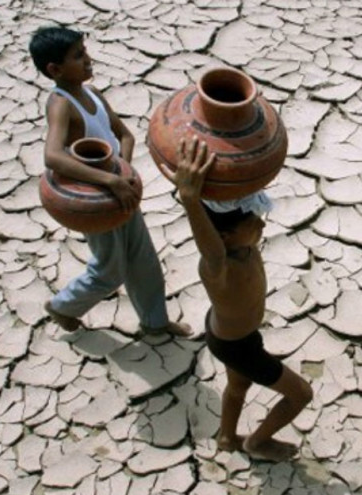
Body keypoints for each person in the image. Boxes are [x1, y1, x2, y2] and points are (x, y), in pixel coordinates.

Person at [28, 26, 190, 339]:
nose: (88, 59)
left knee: (144, 262)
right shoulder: (61, 104)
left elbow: (125, 135)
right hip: (94, 201)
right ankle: (63, 306)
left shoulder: (92, 94)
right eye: (78, 56)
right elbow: (53, 156)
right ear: (55, 69)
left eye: (85, 51)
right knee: (110, 270)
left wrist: (123, 173)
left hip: (120, 191)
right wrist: (110, 180)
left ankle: (155, 323)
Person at [172, 137, 313, 461]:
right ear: (224, 236)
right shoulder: (220, 266)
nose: (262, 224)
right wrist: (190, 200)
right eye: (254, 223)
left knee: (238, 387)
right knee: (301, 394)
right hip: (237, 346)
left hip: (232, 336)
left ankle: (227, 438)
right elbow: (210, 249)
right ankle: (257, 443)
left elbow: (243, 194)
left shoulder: (242, 244)